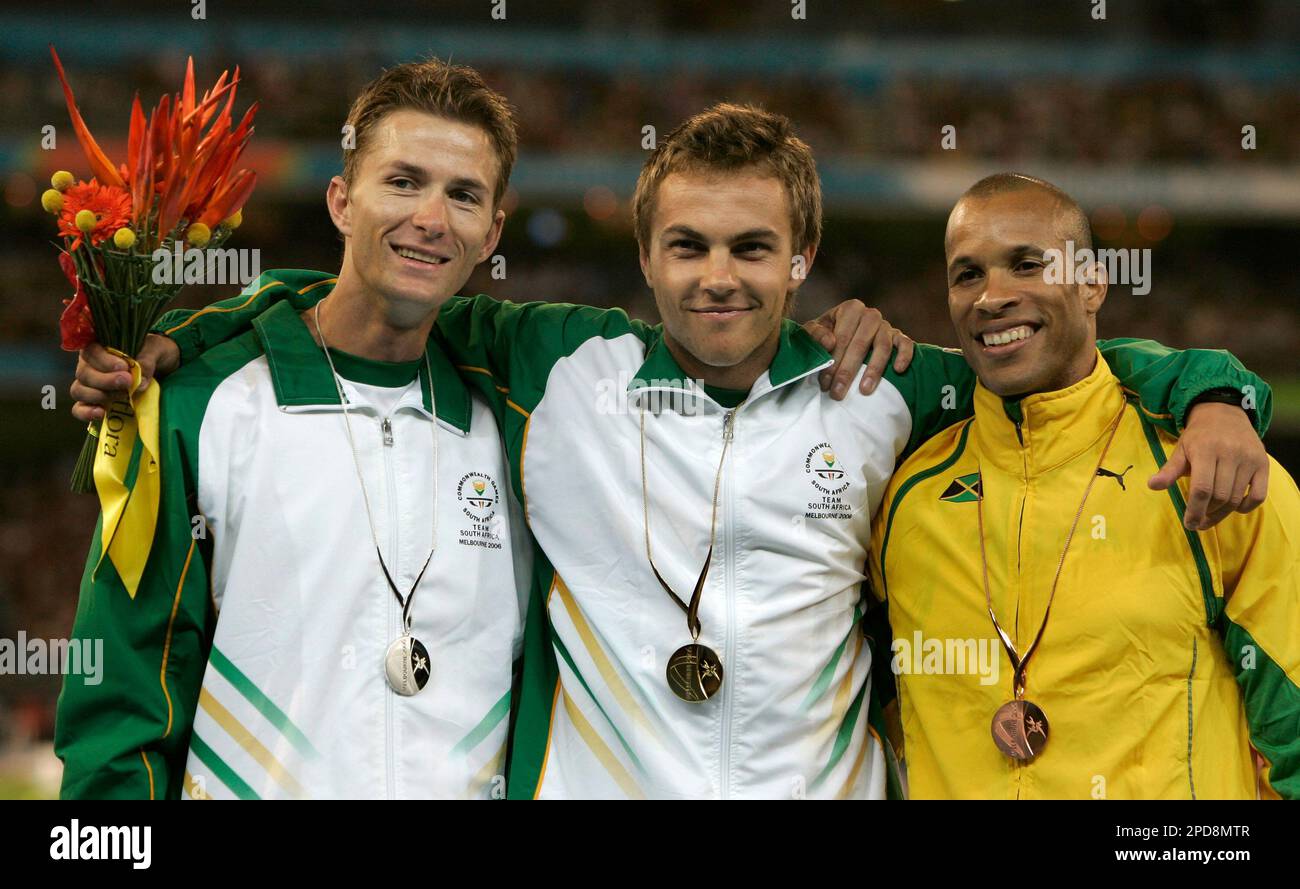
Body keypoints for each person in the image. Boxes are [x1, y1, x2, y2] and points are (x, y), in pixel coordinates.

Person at [69, 106, 1272, 799]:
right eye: (686, 245)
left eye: (753, 247)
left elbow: (1060, 362)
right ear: (643, 261)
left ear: (802, 261)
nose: (718, 276)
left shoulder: (886, 389)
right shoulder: (555, 368)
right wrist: (174, 337)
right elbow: (360, 296)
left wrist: (1216, 394)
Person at [55, 59, 535, 799]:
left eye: (463, 195)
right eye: (403, 182)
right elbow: (123, 695)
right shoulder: (199, 406)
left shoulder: (520, 423)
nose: (431, 219)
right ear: (342, 202)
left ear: (492, 231)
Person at [868, 173, 1296, 799]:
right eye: (967, 275)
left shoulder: (1216, 473)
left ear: (1093, 282)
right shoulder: (908, 496)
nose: (992, 297)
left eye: (1027, 265)